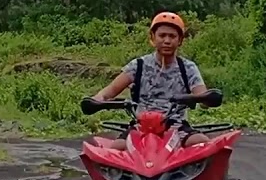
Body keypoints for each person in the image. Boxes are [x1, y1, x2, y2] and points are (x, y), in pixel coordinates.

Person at [89, 11, 210, 150]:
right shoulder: (138, 65)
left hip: (176, 127)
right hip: (141, 127)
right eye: (162, 35)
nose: (167, 41)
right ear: (153, 38)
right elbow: (108, 92)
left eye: (172, 36)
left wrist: (206, 99)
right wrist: (96, 100)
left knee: (202, 142)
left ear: (180, 40)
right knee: (116, 148)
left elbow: (202, 95)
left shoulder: (188, 68)